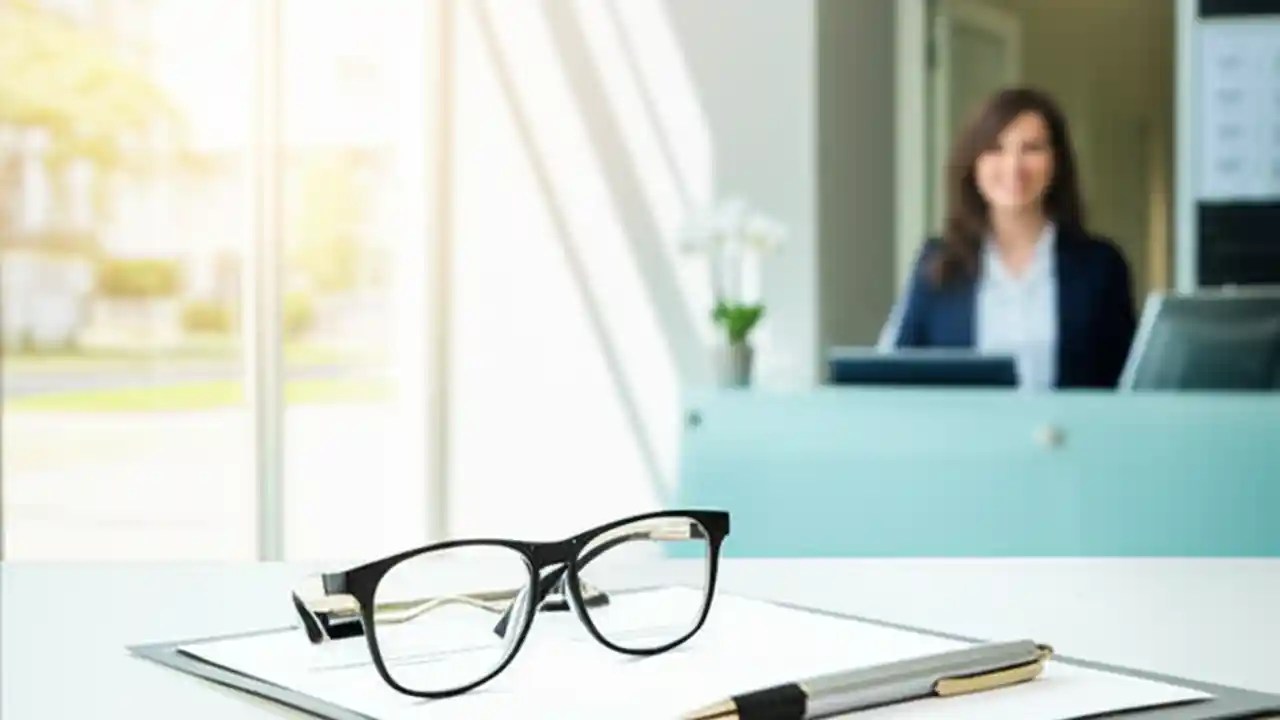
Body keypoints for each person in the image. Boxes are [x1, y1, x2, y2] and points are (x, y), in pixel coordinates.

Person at [881, 87, 1136, 389]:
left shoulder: (1100, 266)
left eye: (1031, 148)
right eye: (995, 149)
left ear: (1056, 162)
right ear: (974, 164)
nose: (1013, 166)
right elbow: (893, 373)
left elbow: (1130, 383)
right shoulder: (939, 262)